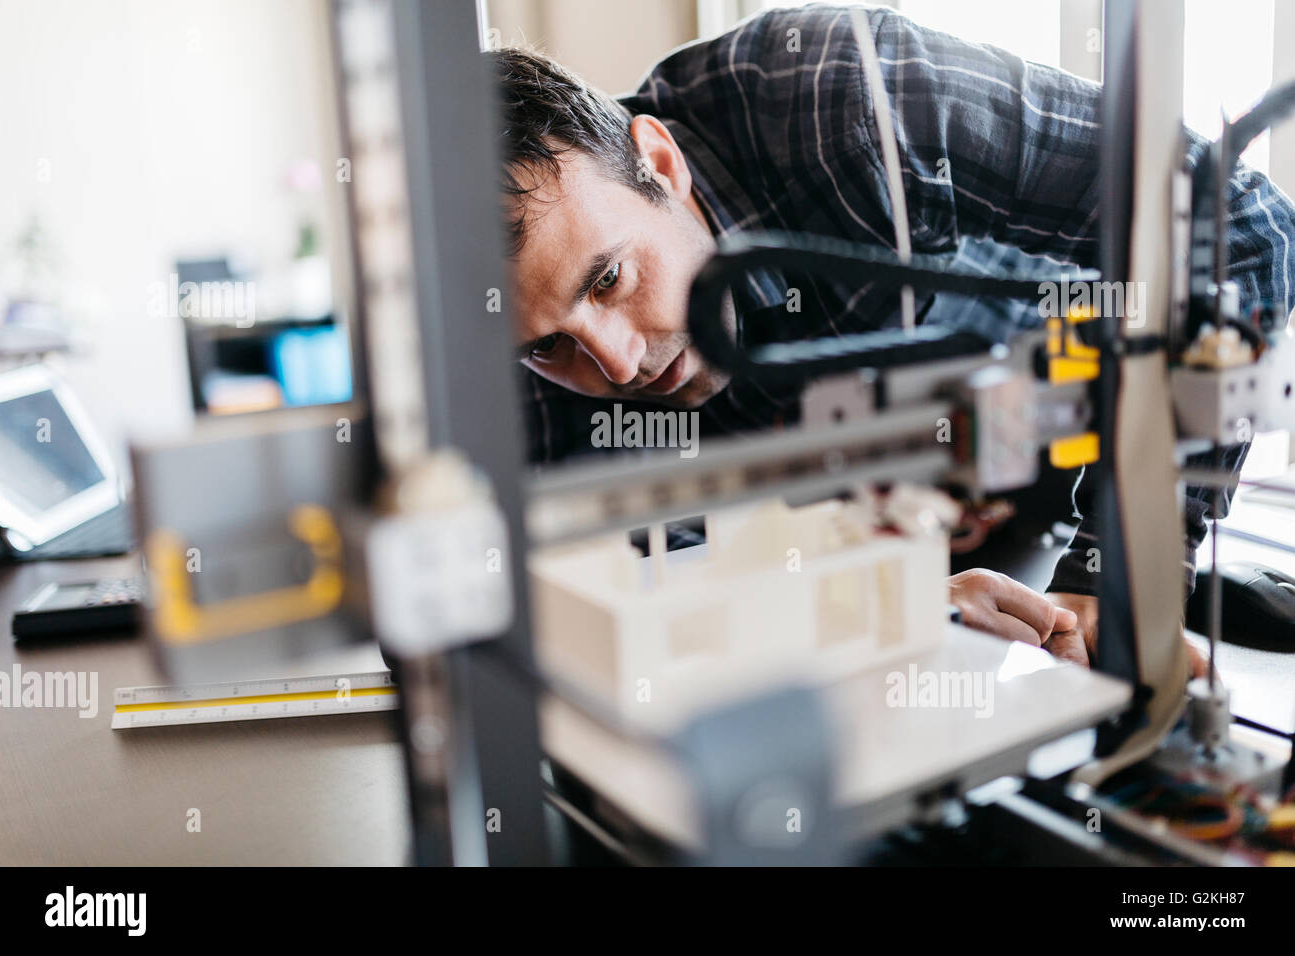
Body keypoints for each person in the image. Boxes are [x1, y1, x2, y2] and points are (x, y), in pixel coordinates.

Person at [488, 4, 1295, 671]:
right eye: (549, 345)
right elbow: (607, 609)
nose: (618, 362)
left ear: (659, 163)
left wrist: (1123, 556)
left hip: (1078, 469)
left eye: (609, 280)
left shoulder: (845, 101)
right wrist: (887, 608)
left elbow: (1241, 233)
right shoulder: (509, 371)